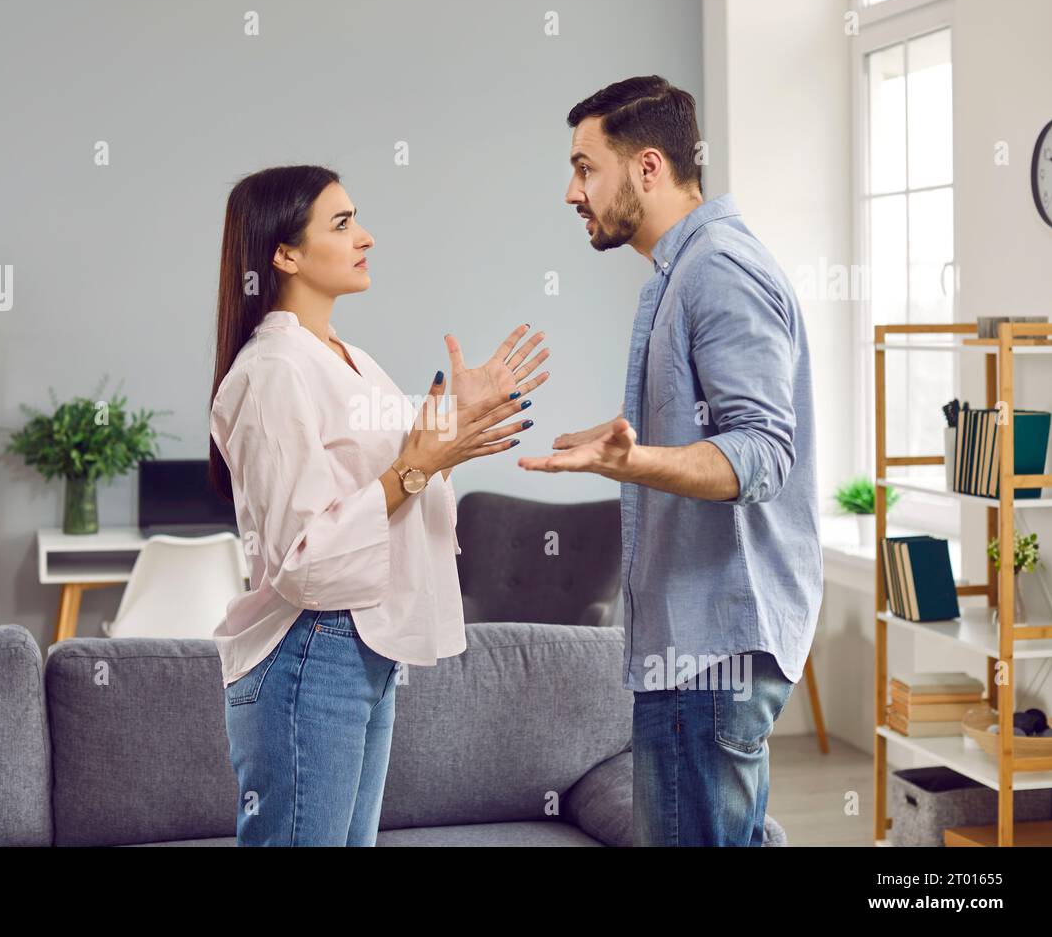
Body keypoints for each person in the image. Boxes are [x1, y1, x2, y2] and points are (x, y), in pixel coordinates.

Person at [518, 76, 823, 846]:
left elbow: (761, 454)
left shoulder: (716, 268)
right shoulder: (680, 270)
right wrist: (627, 443)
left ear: (647, 168)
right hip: (695, 647)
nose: (570, 191)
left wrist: (634, 461)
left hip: (713, 650)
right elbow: (714, 430)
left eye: (585, 168)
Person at [208, 164, 550, 846]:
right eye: (341, 224)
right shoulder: (273, 372)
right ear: (285, 254)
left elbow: (410, 476)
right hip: (310, 648)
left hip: (361, 647)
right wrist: (417, 467)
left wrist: (459, 422)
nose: (365, 237)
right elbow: (303, 560)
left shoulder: (348, 359)